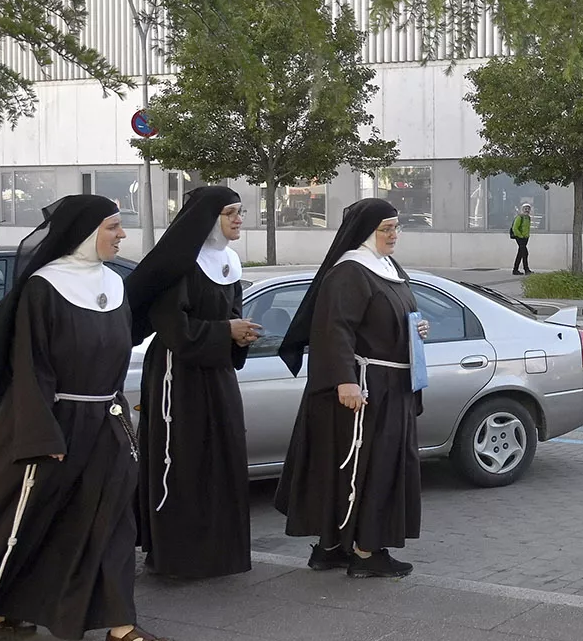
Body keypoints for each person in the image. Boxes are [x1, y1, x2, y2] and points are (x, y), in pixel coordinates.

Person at [0, 195, 171, 641]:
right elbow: (30, 367)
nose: (122, 236)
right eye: (113, 227)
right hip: (54, 423)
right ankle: (2, 603)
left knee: (114, 519)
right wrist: (41, 433)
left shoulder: (112, 285)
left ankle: (120, 625)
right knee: (28, 520)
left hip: (105, 419)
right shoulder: (44, 288)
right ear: (84, 233)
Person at [274, 199, 430, 578]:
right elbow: (335, 330)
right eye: (386, 229)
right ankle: (364, 553)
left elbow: (390, 316)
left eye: (396, 227)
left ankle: (332, 549)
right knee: (368, 468)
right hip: (365, 387)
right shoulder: (350, 272)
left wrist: (415, 329)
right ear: (367, 232)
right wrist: (343, 380)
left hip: (392, 385)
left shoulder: (386, 267)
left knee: (361, 468)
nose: (394, 235)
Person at [126, 186, 261, 579]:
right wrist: (227, 331)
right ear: (207, 219)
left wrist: (240, 334)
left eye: (240, 212)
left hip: (216, 371)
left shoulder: (229, 261)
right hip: (177, 375)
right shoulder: (180, 264)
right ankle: (178, 556)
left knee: (223, 455)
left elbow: (229, 316)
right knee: (183, 458)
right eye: (230, 213)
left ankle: (219, 553)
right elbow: (174, 330)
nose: (238, 220)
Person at [510, 203, 533, 275]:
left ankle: (515, 270)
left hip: (525, 238)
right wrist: (520, 236)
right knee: (525, 253)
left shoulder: (528, 218)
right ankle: (526, 269)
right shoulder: (519, 217)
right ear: (522, 209)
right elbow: (515, 228)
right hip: (520, 238)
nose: (527, 210)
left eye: (528, 209)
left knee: (520, 253)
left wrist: (527, 236)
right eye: (525, 209)